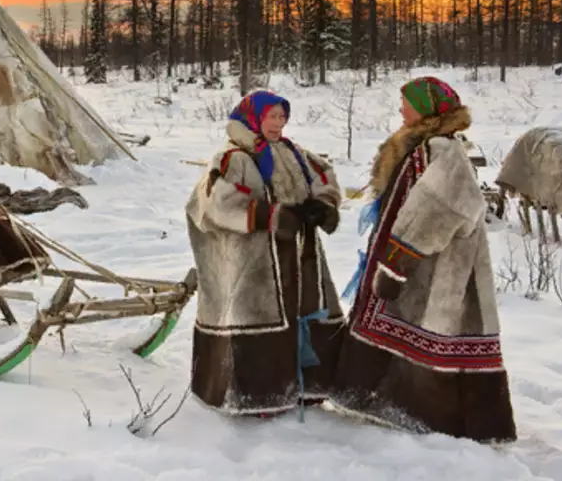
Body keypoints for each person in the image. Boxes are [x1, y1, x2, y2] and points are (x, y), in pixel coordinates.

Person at [330, 76, 517, 443]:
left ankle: (444, 418)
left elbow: (439, 209)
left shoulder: (442, 151)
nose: (401, 109)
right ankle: (399, 404)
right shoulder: (422, 146)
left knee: (438, 328)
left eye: (407, 103)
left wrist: (398, 260)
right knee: (412, 325)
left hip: (439, 266)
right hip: (423, 264)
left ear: (426, 108)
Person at [184, 89, 345, 418]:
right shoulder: (234, 157)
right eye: (271, 116)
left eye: (282, 116)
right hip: (255, 262)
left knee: (305, 311)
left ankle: (308, 387)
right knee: (259, 319)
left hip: (301, 256)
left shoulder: (292, 152)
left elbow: (324, 176)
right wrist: (267, 216)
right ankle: (257, 398)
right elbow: (212, 201)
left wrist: (324, 205)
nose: (278, 123)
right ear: (253, 117)